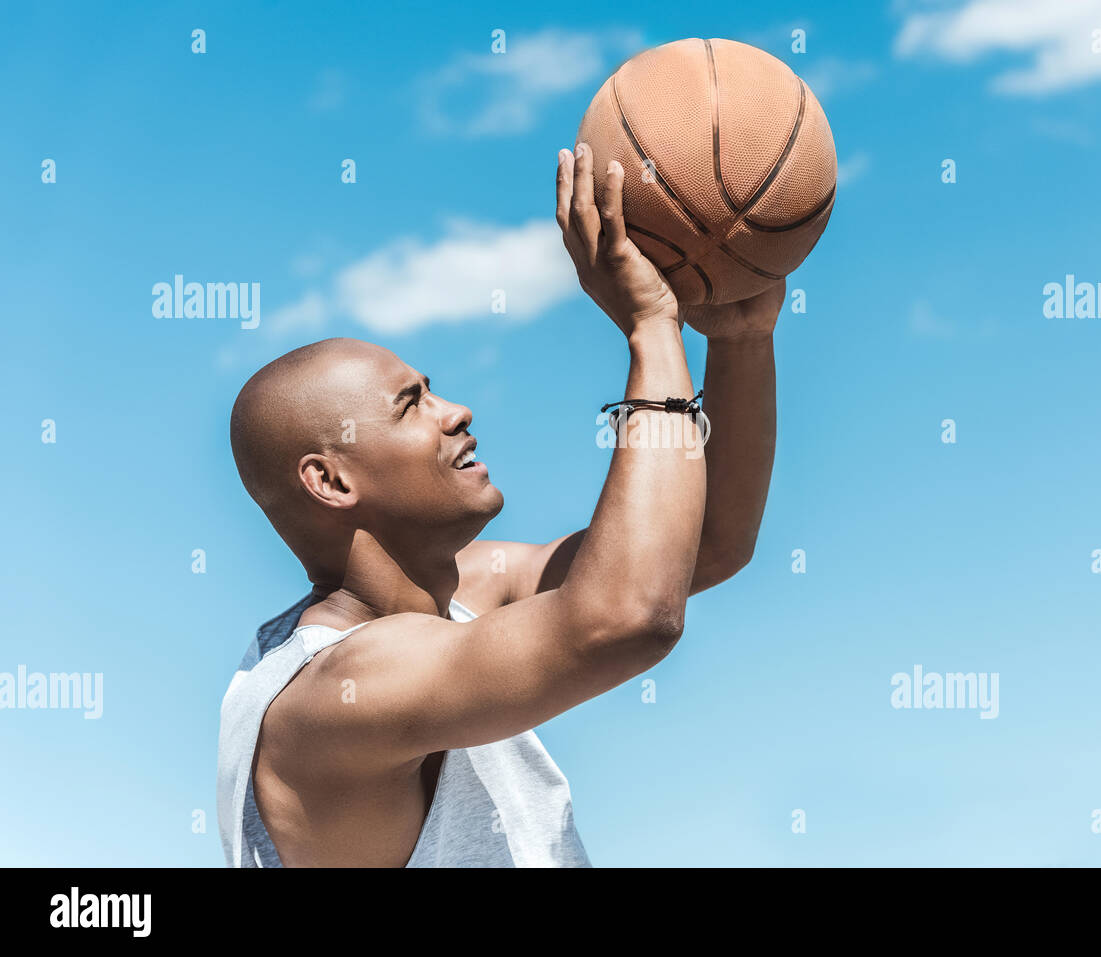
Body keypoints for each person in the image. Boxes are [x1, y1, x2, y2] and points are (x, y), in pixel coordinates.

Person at [217, 143, 784, 867]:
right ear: (331, 481)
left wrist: (742, 340)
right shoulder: (336, 694)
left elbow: (705, 544)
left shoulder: (458, 596)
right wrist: (650, 326)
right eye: (410, 405)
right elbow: (628, 617)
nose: (456, 411)